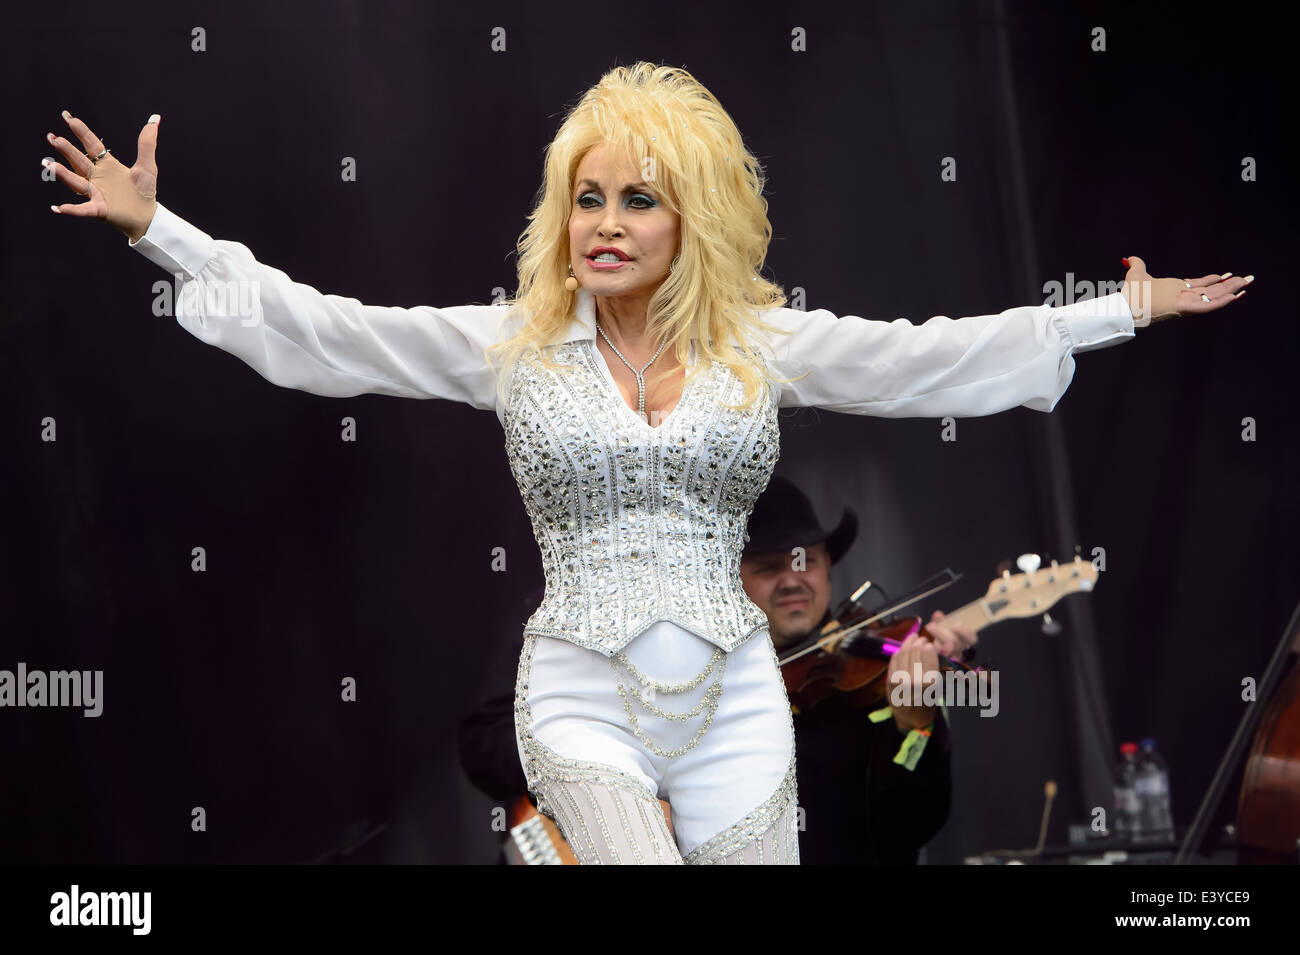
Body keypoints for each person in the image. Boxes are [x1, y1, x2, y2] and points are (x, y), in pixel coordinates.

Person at [41, 61, 1249, 865]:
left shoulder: (756, 347)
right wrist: (163, 233)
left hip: (732, 700)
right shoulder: (509, 348)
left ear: (695, 223)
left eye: (639, 199)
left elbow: (928, 360)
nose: (606, 222)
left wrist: (1114, 315)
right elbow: (328, 328)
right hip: (581, 691)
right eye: (587, 198)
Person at [738, 476, 972, 864]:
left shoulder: (880, 675)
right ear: (735, 578)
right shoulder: (716, 686)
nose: (791, 580)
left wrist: (914, 727)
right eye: (767, 568)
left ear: (827, 565)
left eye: (805, 561)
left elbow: (915, 825)